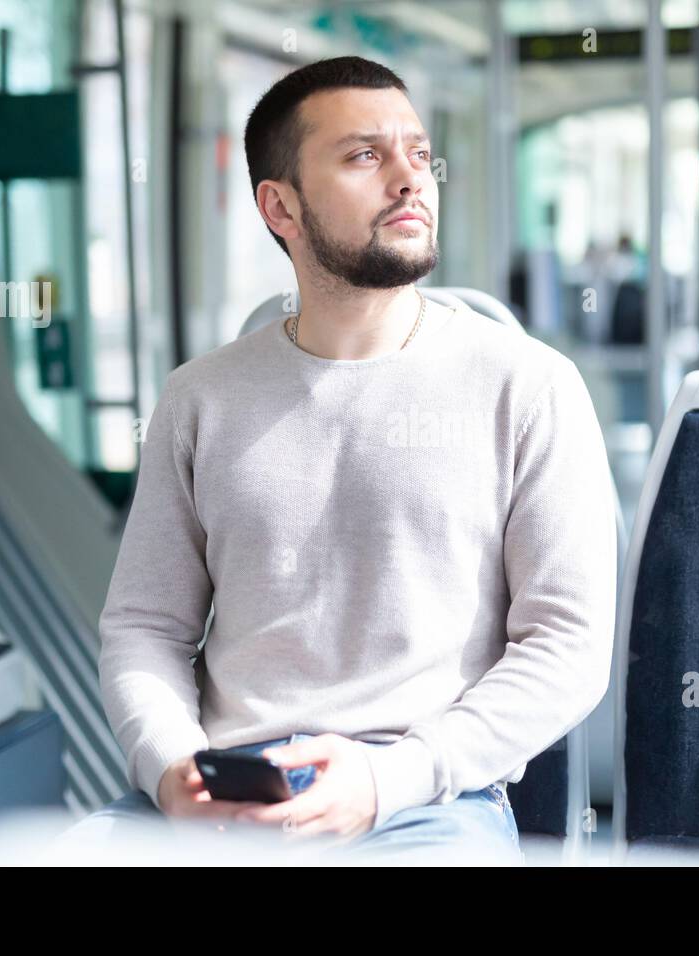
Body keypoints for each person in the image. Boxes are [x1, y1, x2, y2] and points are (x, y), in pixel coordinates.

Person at [92, 55, 616, 864]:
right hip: (227, 792)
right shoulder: (200, 398)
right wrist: (171, 773)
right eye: (365, 156)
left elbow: (567, 647)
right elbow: (143, 629)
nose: (410, 178)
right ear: (281, 207)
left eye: (418, 152)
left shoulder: (530, 386)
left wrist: (391, 777)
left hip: (427, 803)